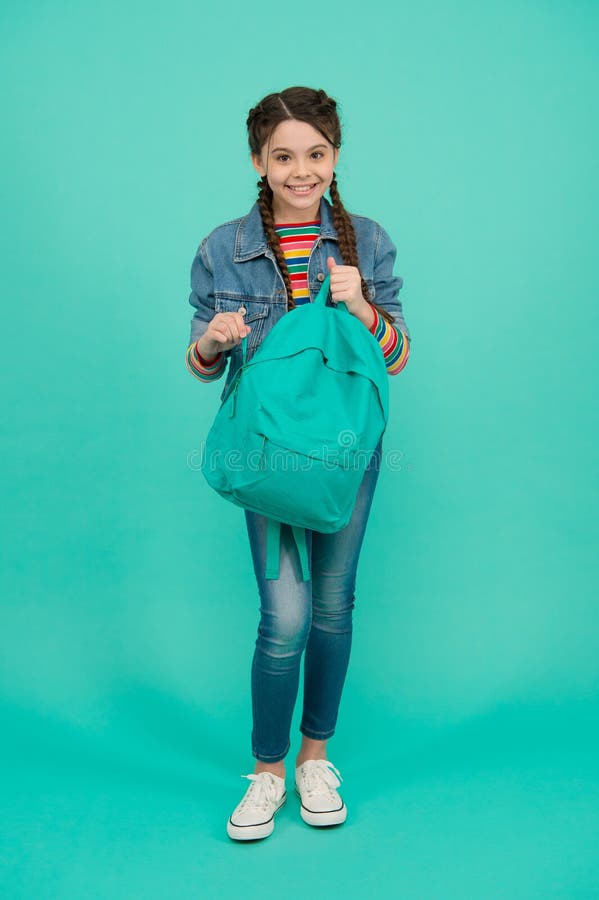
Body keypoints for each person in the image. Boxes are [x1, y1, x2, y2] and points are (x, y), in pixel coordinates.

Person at [185, 86, 412, 841]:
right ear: (258, 160)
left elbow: (399, 357)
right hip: (267, 459)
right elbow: (200, 363)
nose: (301, 170)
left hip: (348, 454)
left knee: (332, 604)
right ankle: (267, 772)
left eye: (315, 154)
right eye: (283, 156)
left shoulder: (366, 243)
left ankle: (315, 758)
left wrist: (363, 308)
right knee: (282, 615)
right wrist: (213, 342)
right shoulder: (223, 247)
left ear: (334, 156)